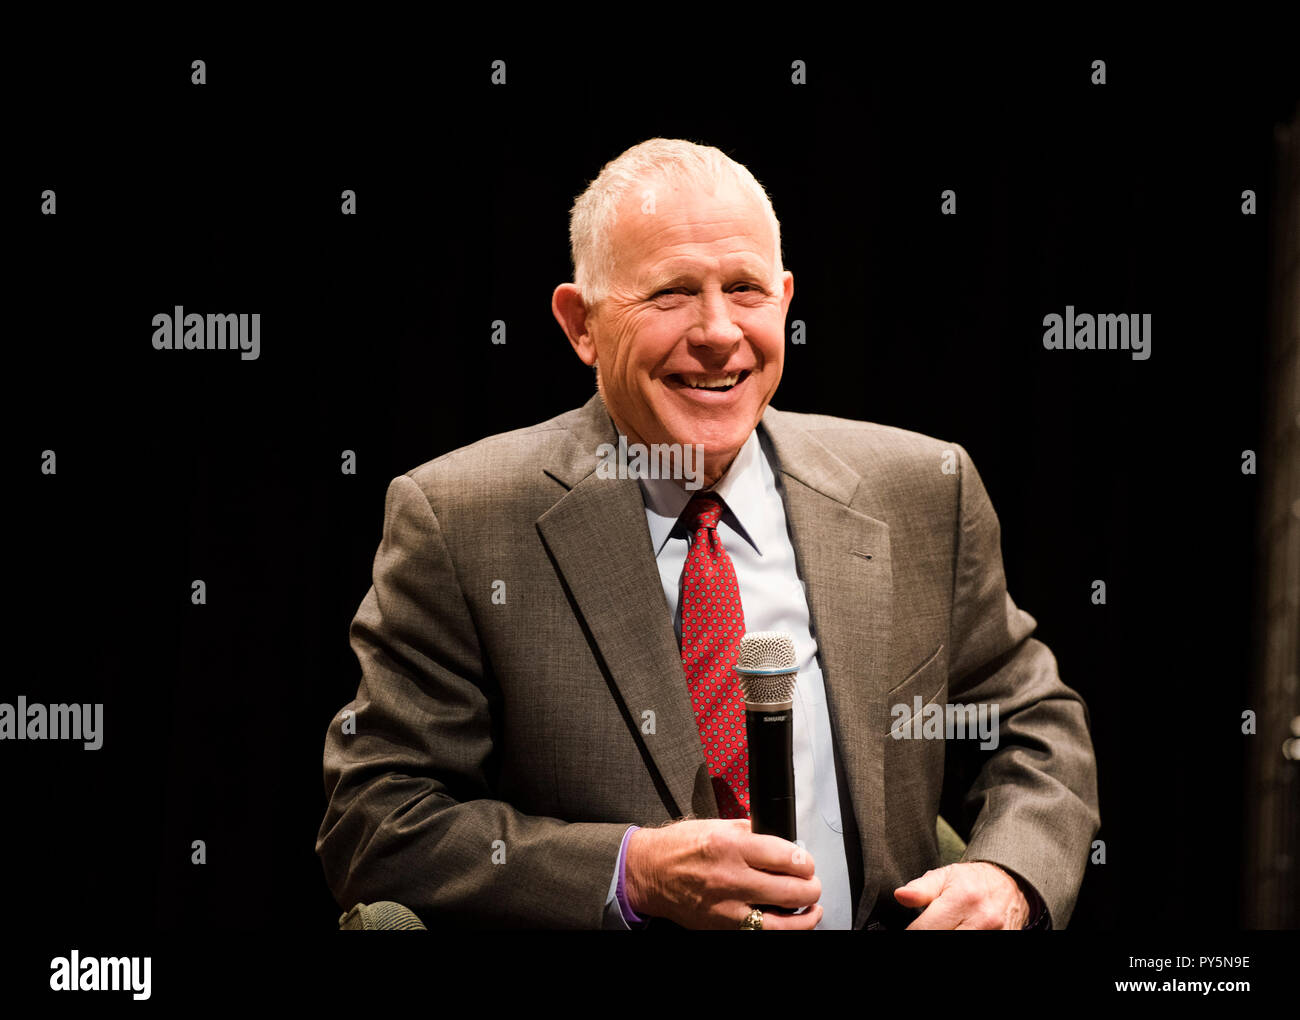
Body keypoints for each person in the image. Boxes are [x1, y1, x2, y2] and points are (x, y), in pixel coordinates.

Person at [315, 138, 1100, 930]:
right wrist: (630, 873)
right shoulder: (461, 519)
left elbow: (1035, 727)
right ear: (581, 324)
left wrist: (1007, 876)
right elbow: (376, 822)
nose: (719, 332)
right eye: (671, 294)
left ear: (785, 302)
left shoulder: (921, 490)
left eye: (746, 289)